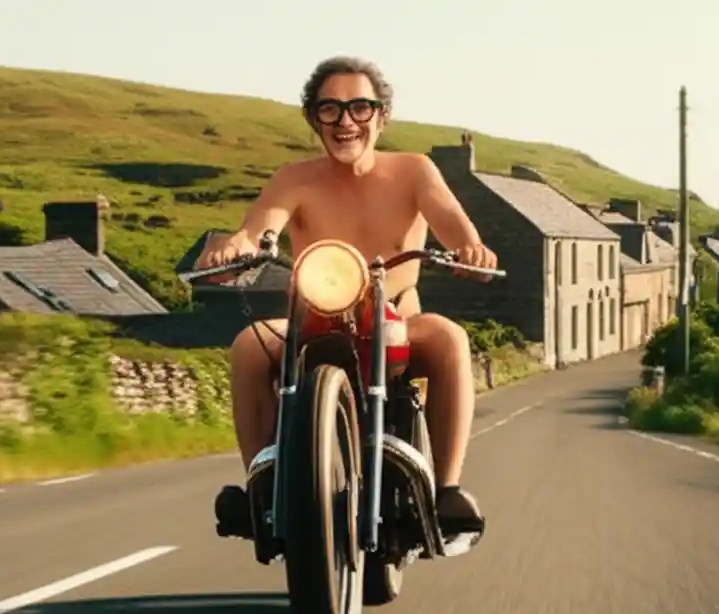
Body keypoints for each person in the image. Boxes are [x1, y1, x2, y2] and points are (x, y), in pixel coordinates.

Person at [194, 56, 499, 539]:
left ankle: (446, 491)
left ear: (381, 116)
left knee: (450, 339)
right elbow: (260, 228)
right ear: (315, 119)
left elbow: (454, 225)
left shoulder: (415, 170)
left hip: (396, 315)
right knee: (249, 346)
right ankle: (261, 484)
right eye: (330, 109)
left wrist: (470, 249)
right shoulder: (293, 178)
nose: (345, 122)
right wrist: (238, 244)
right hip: (312, 320)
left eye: (360, 107)